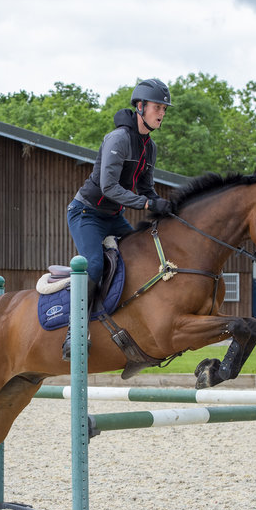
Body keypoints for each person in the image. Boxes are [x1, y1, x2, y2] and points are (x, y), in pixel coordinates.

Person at [62, 78, 173, 360]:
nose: (161, 113)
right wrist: (147, 203)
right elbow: (109, 187)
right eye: (157, 107)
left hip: (113, 217)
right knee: (94, 264)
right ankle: (75, 331)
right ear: (140, 107)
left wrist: (165, 207)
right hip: (86, 213)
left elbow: (146, 189)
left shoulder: (150, 147)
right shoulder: (118, 139)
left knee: (143, 254)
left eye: (164, 109)